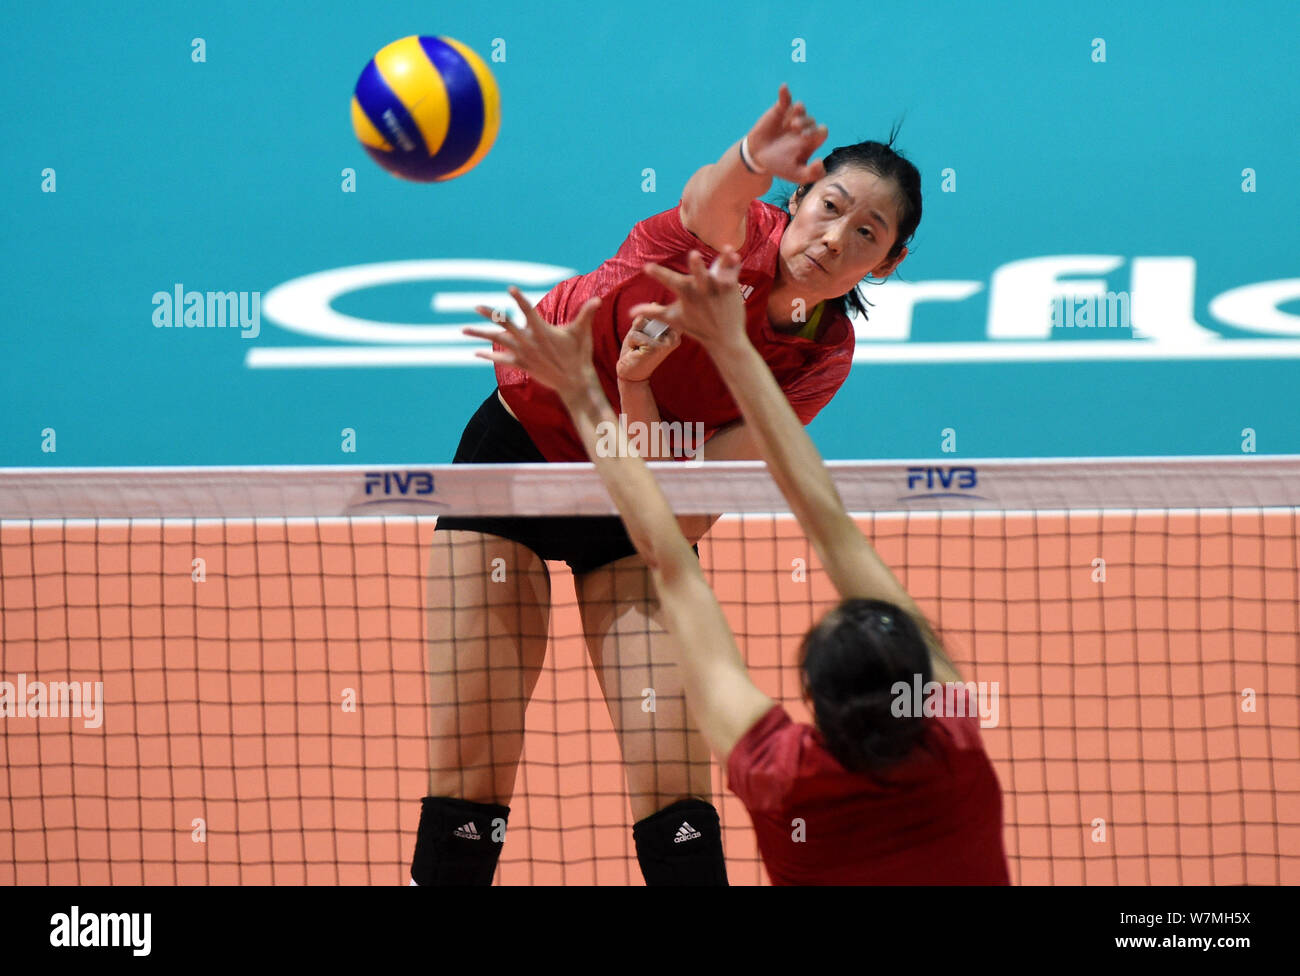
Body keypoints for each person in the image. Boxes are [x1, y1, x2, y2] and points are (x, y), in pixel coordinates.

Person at [412, 84, 923, 886]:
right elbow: (708, 197)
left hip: (635, 512)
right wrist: (751, 159)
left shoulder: (822, 358)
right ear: (795, 197)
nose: (836, 237)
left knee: (674, 779)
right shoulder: (725, 239)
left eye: (868, 232)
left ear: (888, 264)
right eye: (829, 206)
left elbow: (686, 503)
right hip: (519, 460)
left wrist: (636, 389)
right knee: (474, 759)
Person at [465, 245, 1010, 885]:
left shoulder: (783, 773)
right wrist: (736, 350)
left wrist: (588, 395)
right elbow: (827, 528)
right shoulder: (953, 742)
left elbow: (676, 562)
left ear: (814, 699)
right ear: (920, 685)